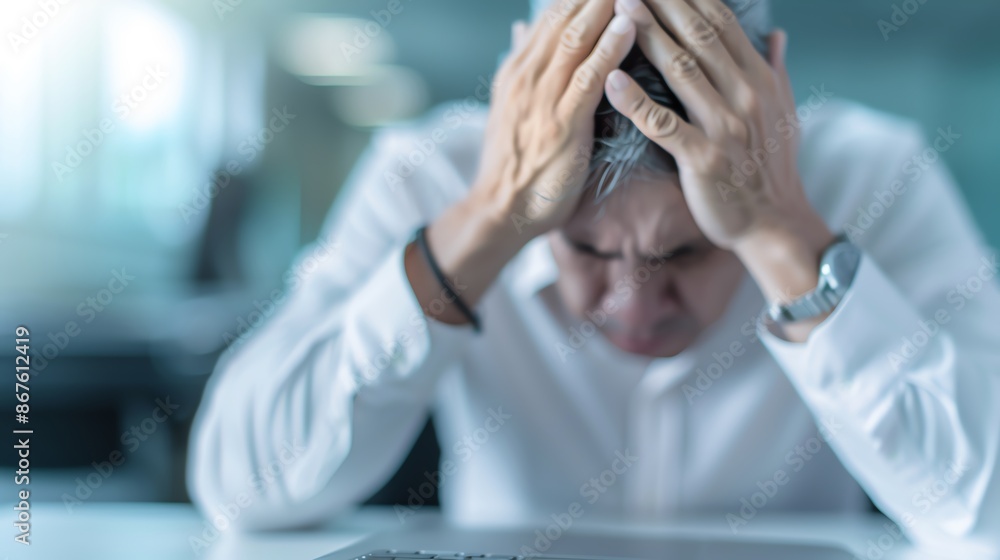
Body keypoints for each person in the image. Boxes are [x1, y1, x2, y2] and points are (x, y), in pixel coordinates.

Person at [188, 0, 1000, 554]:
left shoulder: (875, 181)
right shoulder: (431, 179)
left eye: (690, 250)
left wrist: (781, 233)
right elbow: (240, 486)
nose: (632, 303)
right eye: (582, 250)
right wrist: (487, 221)